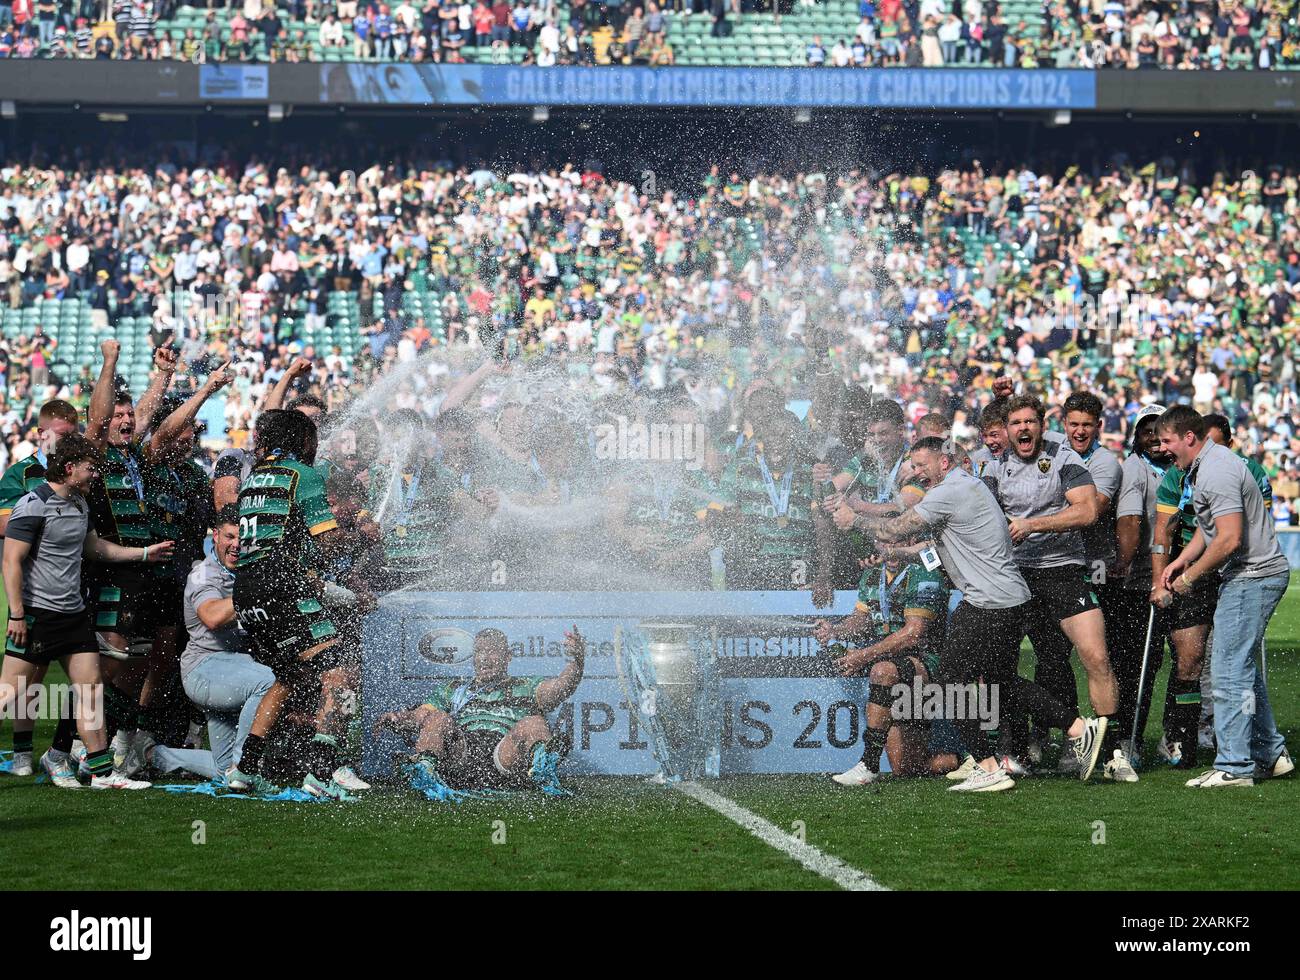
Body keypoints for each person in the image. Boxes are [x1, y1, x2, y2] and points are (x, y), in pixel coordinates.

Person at [854, 437, 1108, 792]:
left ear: (944, 463)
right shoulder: (965, 489)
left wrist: (855, 519)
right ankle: (1079, 728)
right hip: (1008, 599)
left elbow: (895, 528)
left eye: (922, 465)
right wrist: (899, 556)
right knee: (1000, 684)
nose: (916, 472)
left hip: (987, 603)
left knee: (949, 683)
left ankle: (987, 767)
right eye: (913, 466)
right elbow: (937, 549)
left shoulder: (950, 491)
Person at [0, 434, 174, 790]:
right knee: (10, 693)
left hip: (73, 615)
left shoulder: (80, 503)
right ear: (69, 468)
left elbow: (94, 548)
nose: (96, 474)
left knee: (90, 690)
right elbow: (11, 561)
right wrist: (17, 614)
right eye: (90, 468)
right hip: (38, 616)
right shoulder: (33, 504)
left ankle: (101, 772)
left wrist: (143, 554)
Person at [983, 395, 1130, 781]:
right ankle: (1015, 750)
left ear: (1042, 423)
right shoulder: (994, 467)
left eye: (1031, 421)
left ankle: (1113, 753)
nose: (1024, 429)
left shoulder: (1065, 459)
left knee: (1096, 657)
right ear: (1008, 428)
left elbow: (1087, 511)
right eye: (1016, 423)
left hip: (1063, 571)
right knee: (1004, 664)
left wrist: (1032, 525)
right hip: (1014, 577)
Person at [1156, 407, 1294, 788]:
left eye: (1166, 440)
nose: (1161, 447)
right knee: (1242, 667)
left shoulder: (1214, 470)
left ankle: (1234, 766)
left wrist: (1191, 577)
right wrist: (1181, 561)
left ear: (1188, 437)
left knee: (1228, 670)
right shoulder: (1206, 465)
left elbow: (1230, 538)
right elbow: (1208, 528)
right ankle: (1270, 753)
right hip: (1253, 574)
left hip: (1252, 577)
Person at [227, 409, 358, 800]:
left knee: (290, 677)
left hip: (247, 590)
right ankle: (323, 771)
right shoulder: (303, 475)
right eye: (313, 441)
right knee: (339, 669)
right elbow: (327, 540)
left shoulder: (253, 479)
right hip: (282, 586)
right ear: (303, 442)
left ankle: (245, 770)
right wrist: (353, 534)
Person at [130, 506, 276, 783]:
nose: (236, 545)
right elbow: (211, 617)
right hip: (206, 670)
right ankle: (243, 769)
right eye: (230, 537)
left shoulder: (249, 569)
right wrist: (255, 591)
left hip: (234, 674)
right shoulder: (203, 575)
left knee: (222, 770)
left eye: (242, 538)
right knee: (270, 682)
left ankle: (152, 756)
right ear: (217, 536)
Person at [373, 626, 583, 795]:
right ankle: (425, 769)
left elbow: (561, 687)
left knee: (533, 722)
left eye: (492, 651)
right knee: (438, 717)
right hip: (461, 756)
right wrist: (399, 719)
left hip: (505, 757)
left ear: (508, 656)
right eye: (480, 651)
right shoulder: (454, 689)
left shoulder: (526, 685)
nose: (484, 658)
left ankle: (543, 769)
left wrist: (577, 662)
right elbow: (420, 716)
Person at [815, 553, 955, 786]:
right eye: (885, 542)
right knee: (906, 766)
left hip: (930, 665)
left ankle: (868, 765)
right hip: (896, 672)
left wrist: (861, 656)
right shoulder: (872, 575)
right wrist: (835, 631)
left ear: (910, 543)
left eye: (896, 542)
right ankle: (970, 759)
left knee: (882, 671)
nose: (890, 550)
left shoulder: (924, 574)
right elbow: (861, 621)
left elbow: (913, 635)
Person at [0, 398, 81, 777]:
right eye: (62, 436)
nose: (68, 442)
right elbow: (4, 525)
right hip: (33, 591)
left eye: (73, 435)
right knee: (23, 680)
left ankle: (65, 750)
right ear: (42, 433)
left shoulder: (74, 477)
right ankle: (20, 752)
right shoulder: (21, 474)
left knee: (51, 675)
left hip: (67, 587)